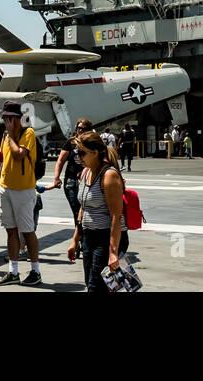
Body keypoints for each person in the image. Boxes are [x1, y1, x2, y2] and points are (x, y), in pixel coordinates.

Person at [67, 130, 129, 292]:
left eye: (82, 153)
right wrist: (75, 240)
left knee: (96, 287)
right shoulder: (86, 172)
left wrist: (113, 252)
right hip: (89, 237)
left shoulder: (109, 176)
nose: (78, 157)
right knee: (91, 284)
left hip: (107, 237)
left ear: (95, 153)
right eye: (76, 153)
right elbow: (83, 209)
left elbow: (116, 215)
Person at [0, 101, 42, 286]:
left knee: (28, 232)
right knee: (10, 230)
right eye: (4, 118)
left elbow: (19, 155)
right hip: (6, 188)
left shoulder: (27, 133)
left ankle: (35, 271)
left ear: (17, 119)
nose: (5, 121)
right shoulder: (6, 137)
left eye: (8, 118)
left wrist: (11, 136)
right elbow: (5, 161)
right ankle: (13, 272)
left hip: (23, 189)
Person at [45, 118, 93, 231]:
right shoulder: (71, 142)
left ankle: (85, 237)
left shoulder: (91, 143)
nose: (80, 130)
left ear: (89, 130)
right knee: (77, 210)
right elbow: (61, 160)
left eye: (83, 128)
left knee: (88, 211)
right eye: (78, 128)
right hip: (71, 180)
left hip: (88, 179)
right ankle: (80, 239)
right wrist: (56, 178)